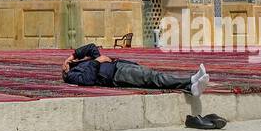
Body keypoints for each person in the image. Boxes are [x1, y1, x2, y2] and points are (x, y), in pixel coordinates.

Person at [62, 43, 209, 95]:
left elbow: (92, 47)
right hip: (117, 75)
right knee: (153, 77)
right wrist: (96, 61)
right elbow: (87, 80)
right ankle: (190, 82)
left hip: (119, 65)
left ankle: (191, 84)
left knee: (152, 76)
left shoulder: (79, 63)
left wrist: (72, 55)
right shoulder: (72, 76)